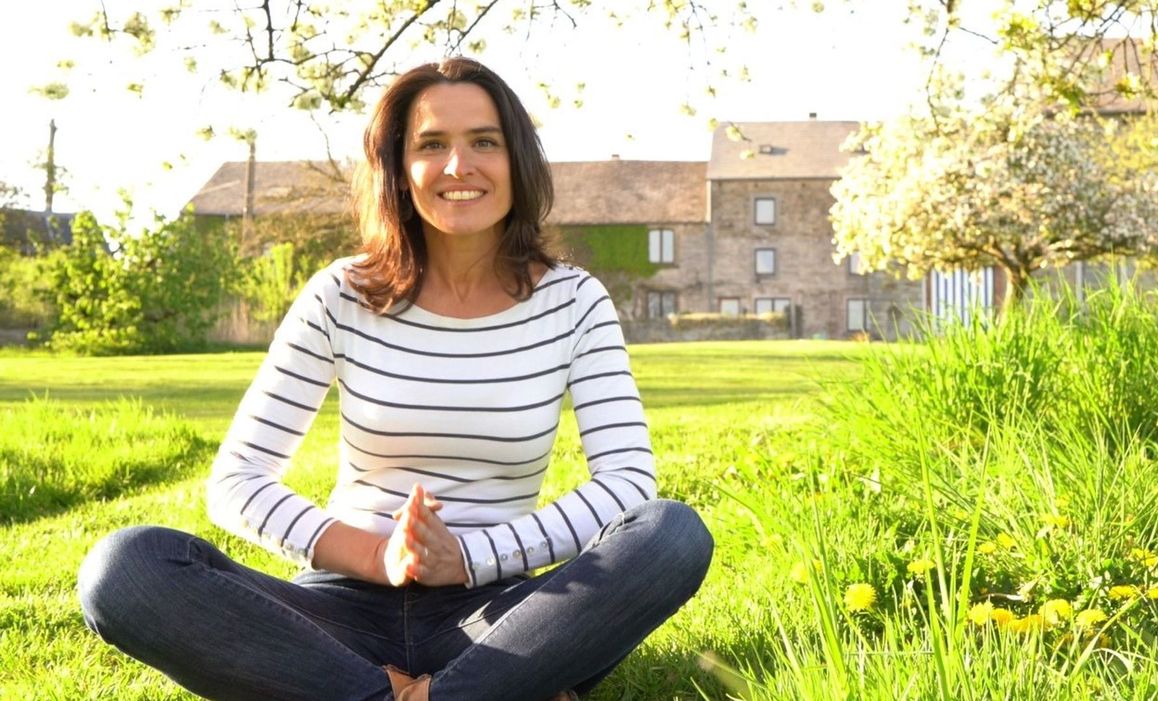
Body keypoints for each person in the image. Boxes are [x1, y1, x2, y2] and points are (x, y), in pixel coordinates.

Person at [77, 57, 714, 701]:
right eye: (431, 144)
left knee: (672, 534)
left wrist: (467, 558)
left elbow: (628, 484)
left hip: (501, 615)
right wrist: (377, 557)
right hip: (337, 614)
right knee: (125, 568)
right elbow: (237, 481)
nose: (458, 167)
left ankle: (405, 691)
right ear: (398, 170)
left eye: (483, 142)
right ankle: (466, 693)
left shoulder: (574, 302)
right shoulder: (341, 294)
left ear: (517, 160)